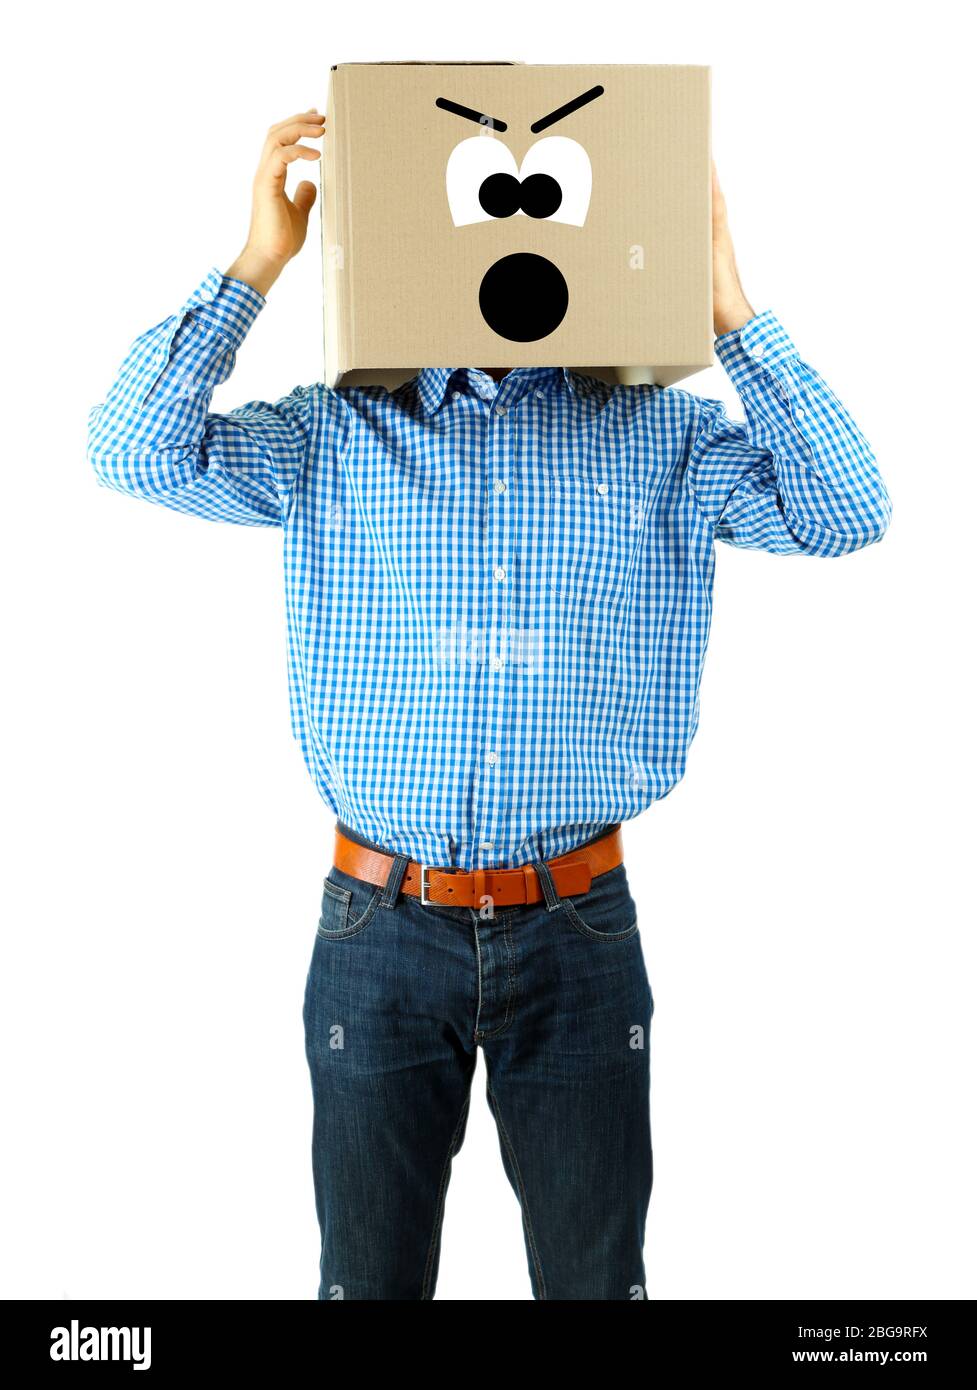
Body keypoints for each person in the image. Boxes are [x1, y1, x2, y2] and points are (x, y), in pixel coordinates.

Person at [87, 108, 892, 1301]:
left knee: (593, 1283)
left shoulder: (663, 436)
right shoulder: (333, 433)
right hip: (377, 930)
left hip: (579, 926)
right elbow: (132, 452)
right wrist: (255, 265)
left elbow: (846, 512)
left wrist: (730, 310)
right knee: (365, 1284)